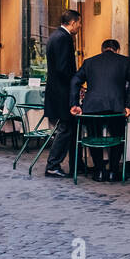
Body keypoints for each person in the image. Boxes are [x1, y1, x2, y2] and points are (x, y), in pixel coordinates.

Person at [70, 39, 130, 181]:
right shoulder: (125, 61)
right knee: (118, 138)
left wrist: (75, 103)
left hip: (92, 106)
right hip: (116, 106)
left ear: (102, 50)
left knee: (94, 137)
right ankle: (113, 171)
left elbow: (75, 81)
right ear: (117, 50)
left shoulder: (89, 62)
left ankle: (99, 171)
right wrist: (128, 105)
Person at [44, 9, 81, 178]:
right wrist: (75, 83)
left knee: (69, 128)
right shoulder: (64, 38)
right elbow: (63, 67)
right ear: (73, 23)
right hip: (62, 92)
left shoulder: (55, 36)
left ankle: (75, 163)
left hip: (58, 90)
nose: (80, 27)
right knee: (65, 128)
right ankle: (53, 165)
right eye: (79, 23)